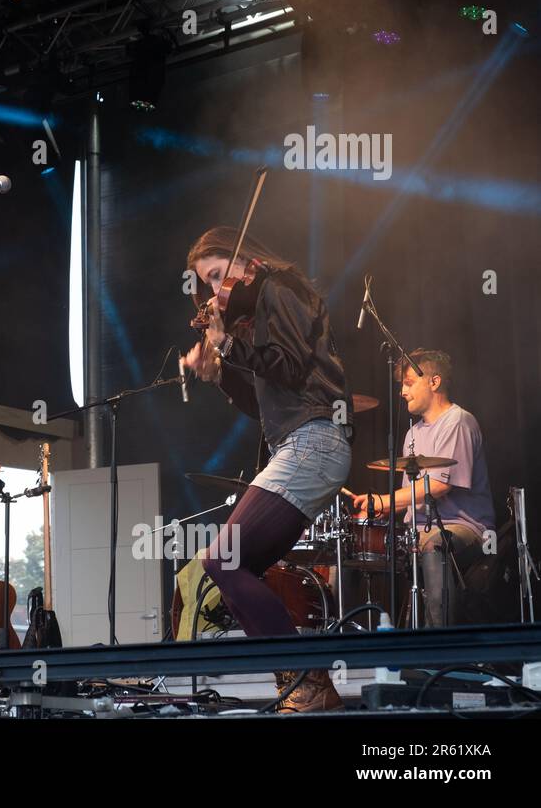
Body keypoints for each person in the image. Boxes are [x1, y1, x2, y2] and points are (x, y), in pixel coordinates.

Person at [181, 226, 353, 712]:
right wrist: (219, 375)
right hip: (295, 444)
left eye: (218, 275)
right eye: (207, 282)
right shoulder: (251, 319)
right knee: (237, 566)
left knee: (221, 560)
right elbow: (263, 406)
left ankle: (308, 680)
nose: (215, 291)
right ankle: (304, 685)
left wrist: (229, 347)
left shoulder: (282, 289)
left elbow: (293, 367)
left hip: (314, 441)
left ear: (245, 260)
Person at [344, 349, 494, 627]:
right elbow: (410, 497)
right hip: (420, 528)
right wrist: (379, 509)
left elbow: (438, 486)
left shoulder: (458, 421)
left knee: (434, 544)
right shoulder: (412, 434)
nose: (402, 391)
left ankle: (438, 642)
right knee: (354, 543)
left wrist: (383, 500)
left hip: (465, 527)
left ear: (434, 382)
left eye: (409, 383)